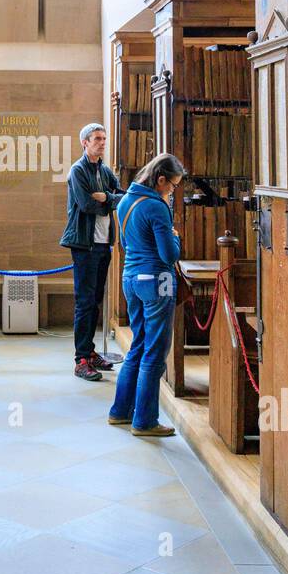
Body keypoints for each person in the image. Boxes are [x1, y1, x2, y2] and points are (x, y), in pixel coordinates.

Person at [109, 153, 185, 437]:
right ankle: (145, 421)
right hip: (158, 280)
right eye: (173, 185)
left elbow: (126, 245)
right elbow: (168, 255)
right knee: (155, 351)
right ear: (160, 179)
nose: (173, 191)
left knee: (138, 346)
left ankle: (120, 411)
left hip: (131, 279)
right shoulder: (157, 206)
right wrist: (175, 237)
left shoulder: (125, 201)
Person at [59, 123, 124, 381]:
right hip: (84, 245)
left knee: (95, 300)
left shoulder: (105, 171)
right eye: (97, 138)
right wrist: (105, 200)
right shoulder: (78, 170)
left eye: (104, 138)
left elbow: (123, 197)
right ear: (85, 142)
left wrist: (104, 197)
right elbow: (85, 204)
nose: (102, 142)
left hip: (103, 243)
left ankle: (91, 350)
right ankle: (81, 360)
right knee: (84, 302)